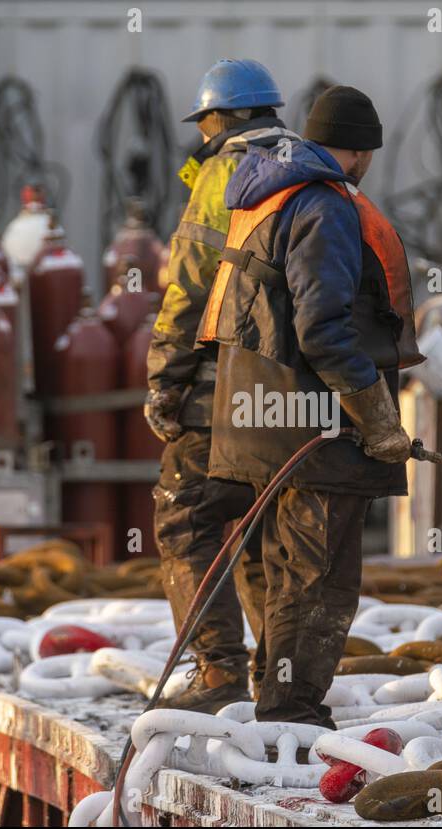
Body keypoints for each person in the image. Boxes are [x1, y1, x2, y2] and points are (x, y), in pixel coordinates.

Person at [197, 86, 423, 726]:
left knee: (274, 565)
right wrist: (375, 416)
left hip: (252, 418)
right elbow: (323, 329)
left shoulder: (264, 192)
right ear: (361, 150)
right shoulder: (324, 206)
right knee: (315, 577)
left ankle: (274, 695)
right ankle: (289, 713)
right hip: (311, 424)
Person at [145, 60, 296, 712]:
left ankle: (219, 675)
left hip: (223, 387)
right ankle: (281, 685)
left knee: (184, 518)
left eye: (204, 118)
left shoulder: (222, 174)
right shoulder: (312, 169)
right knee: (271, 530)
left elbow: (189, 283)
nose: (201, 131)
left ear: (223, 117)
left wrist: (164, 378)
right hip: (301, 393)